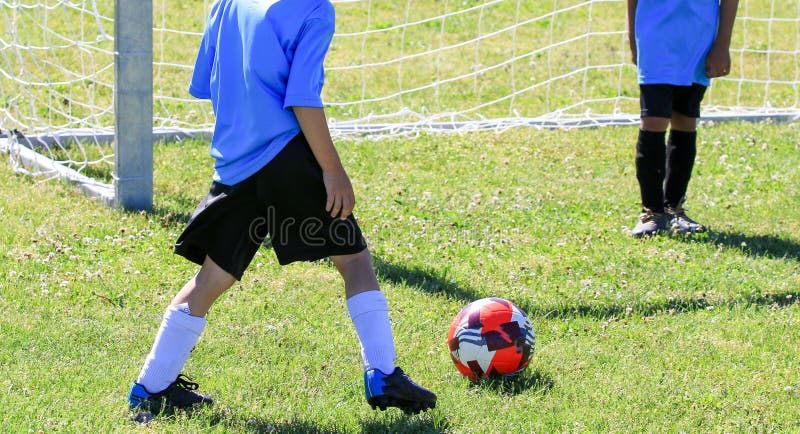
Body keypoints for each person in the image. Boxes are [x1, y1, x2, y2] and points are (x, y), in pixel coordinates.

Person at [126, 0, 436, 419]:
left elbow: (208, 83)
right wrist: (332, 170)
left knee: (213, 276)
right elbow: (303, 98)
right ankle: (382, 372)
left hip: (236, 161)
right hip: (288, 158)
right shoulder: (314, 10)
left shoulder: (227, 2)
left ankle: (150, 387)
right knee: (354, 260)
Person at [627, 0, 739, 236]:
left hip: (699, 36)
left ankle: (674, 209)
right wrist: (632, 36)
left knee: (685, 120)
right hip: (655, 34)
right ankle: (652, 212)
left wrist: (722, 45)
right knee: (653, 120)